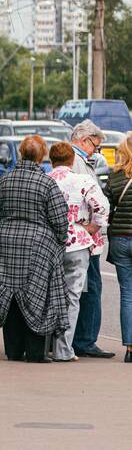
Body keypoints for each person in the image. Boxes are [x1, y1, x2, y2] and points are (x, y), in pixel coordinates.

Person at [0, 135, 69, 362]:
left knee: (9, 295)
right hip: (38, 247)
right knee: (37, 297)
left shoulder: (5, 179)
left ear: (20, 153)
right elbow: (60, 221)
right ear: (42, 156)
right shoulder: (47, 184)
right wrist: (59, 242)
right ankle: (35, 352)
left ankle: (13, 350)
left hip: (7, 244)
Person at [46, 140, 109, 361]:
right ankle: (64, 349)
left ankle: (46, 346)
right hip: (77, 244)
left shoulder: (45, 180)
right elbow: (102, 206)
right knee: (72, 297)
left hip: (50, 244)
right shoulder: (82, 180)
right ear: (72, 160)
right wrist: (93, 227)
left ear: (51, 160)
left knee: (49, 296)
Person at [70, 119, 115, 358]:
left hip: (77, 238)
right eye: (95, 146)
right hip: (85, 239)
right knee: (91, 288)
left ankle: (79, 339)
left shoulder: (76, 160)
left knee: (82, 288)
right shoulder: (78, 163)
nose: (96, 152)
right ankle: (85, 340)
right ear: (84, 140)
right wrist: (94, 226)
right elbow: (92, 201)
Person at [103, 133, 132, 362]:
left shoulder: (114, 177)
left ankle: (130, 349)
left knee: (127, 294)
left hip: (120, 240)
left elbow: (104, 206)